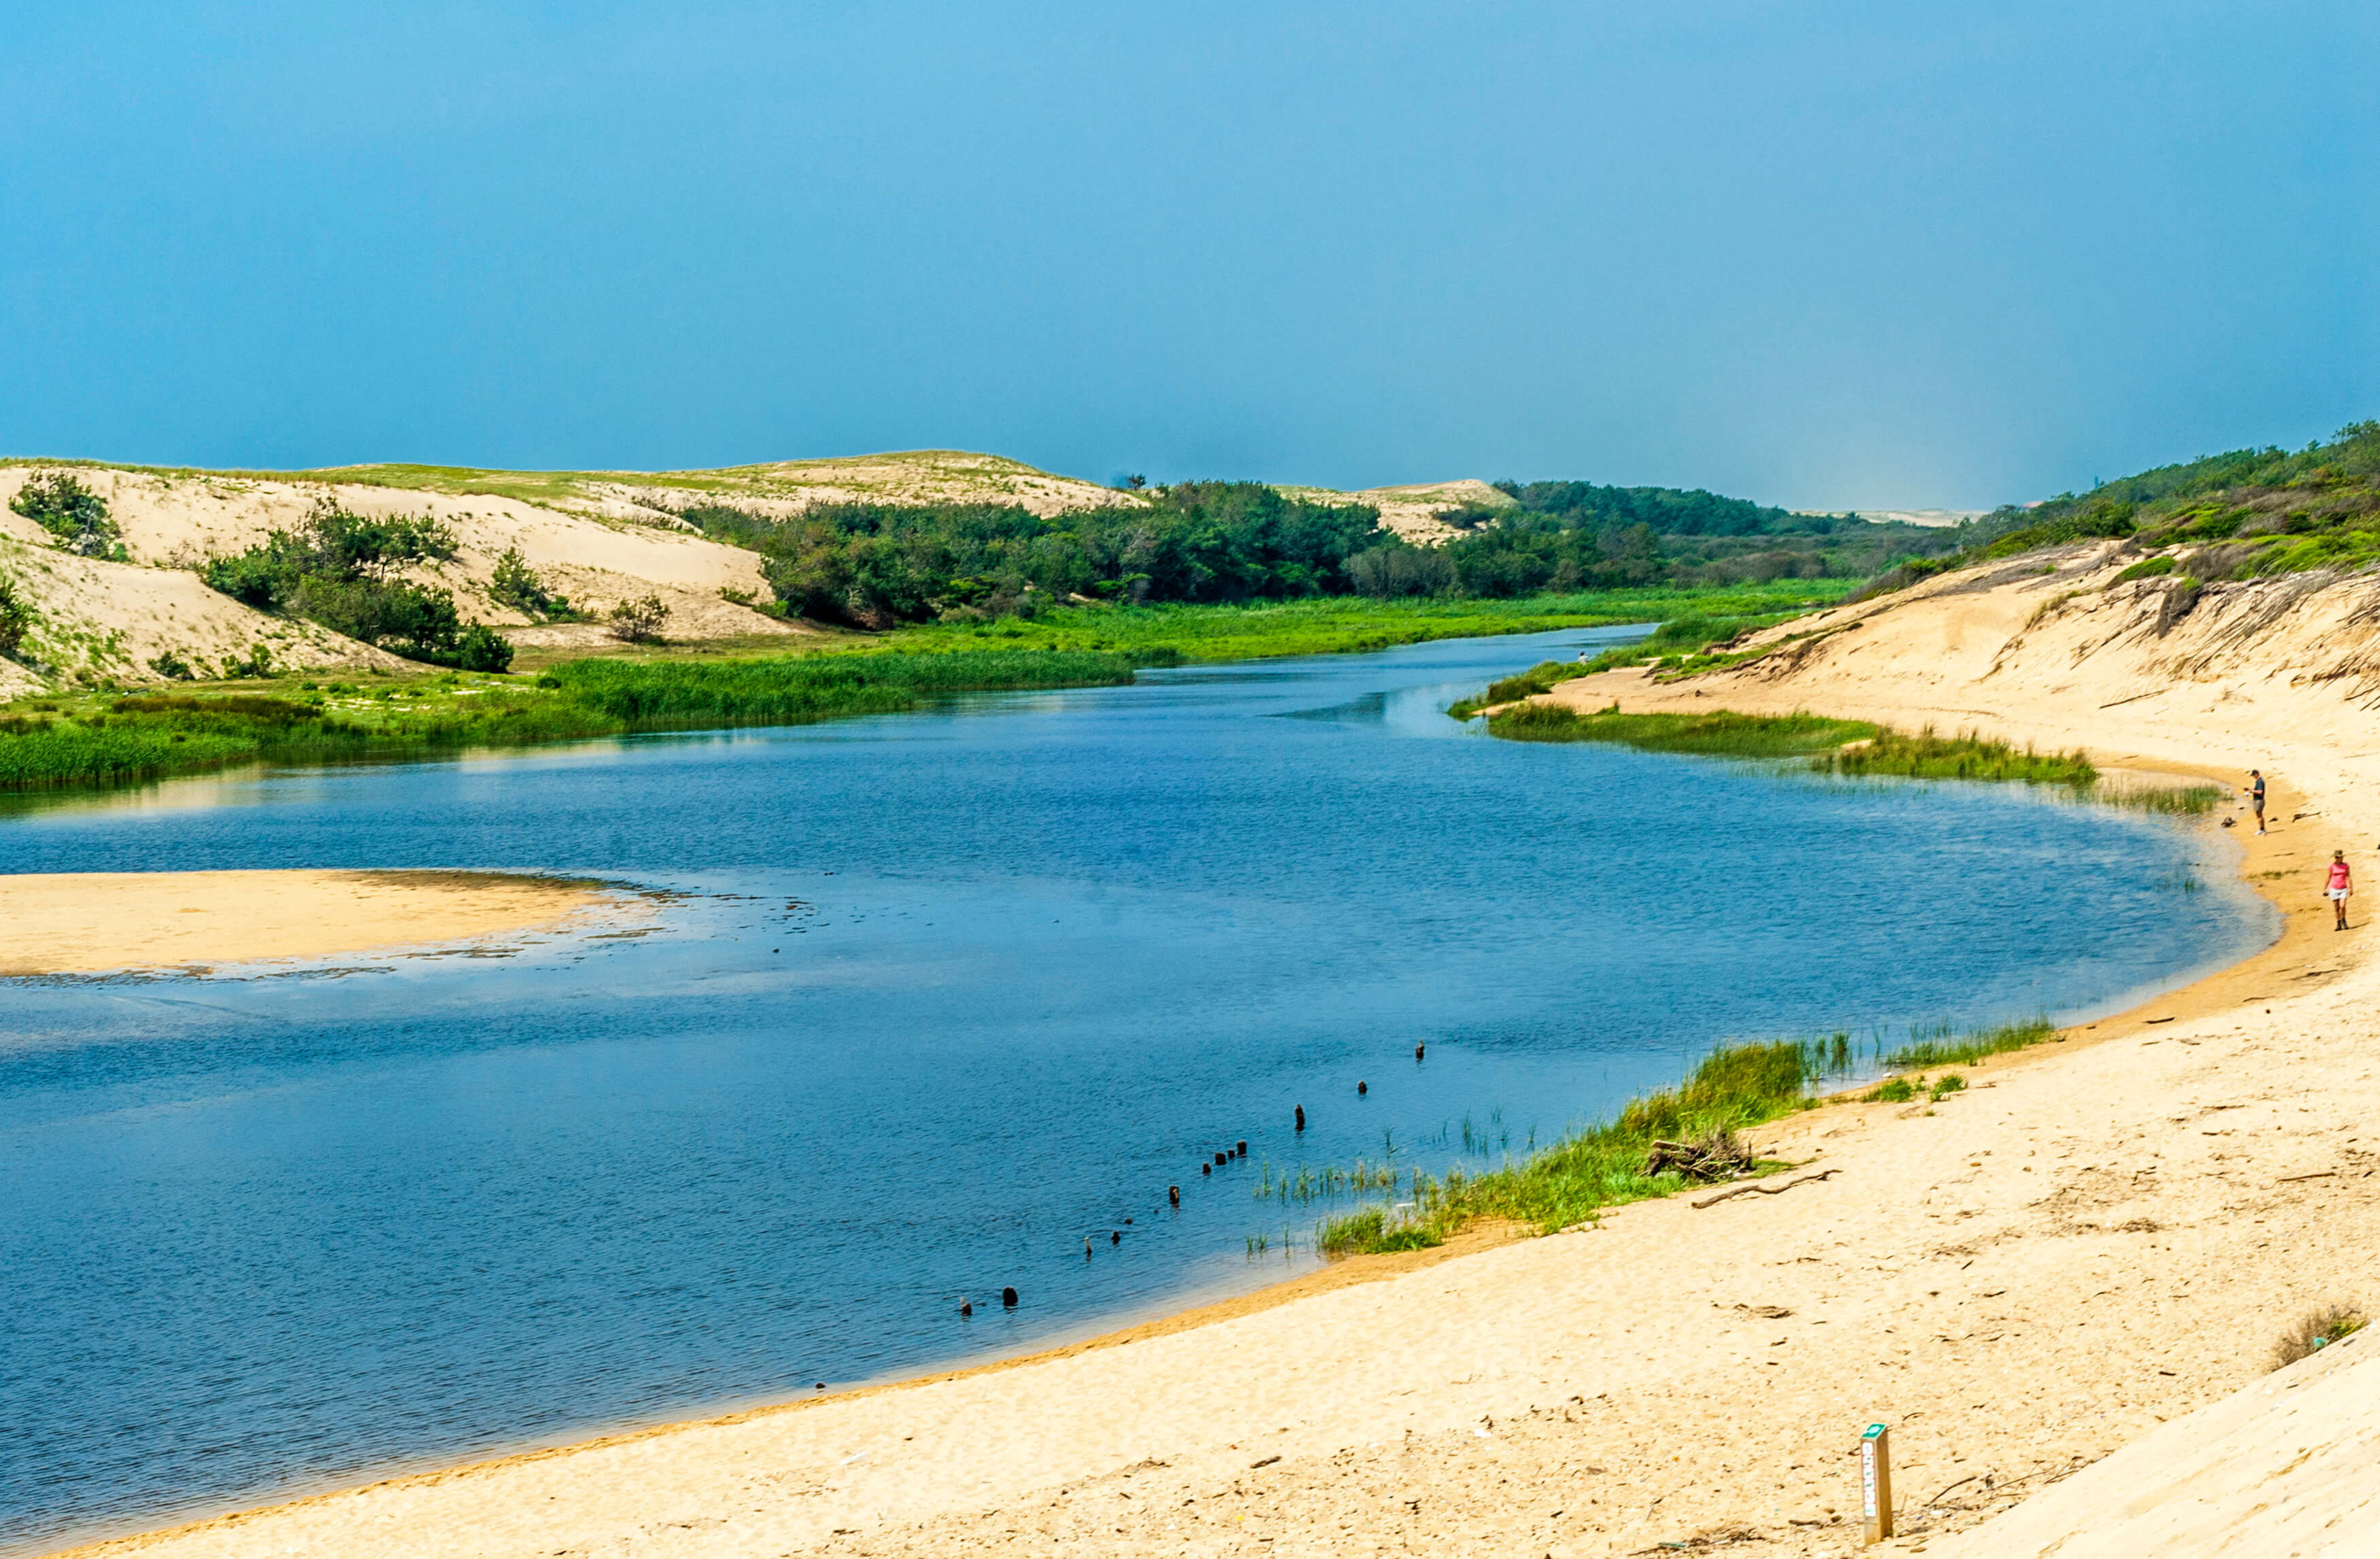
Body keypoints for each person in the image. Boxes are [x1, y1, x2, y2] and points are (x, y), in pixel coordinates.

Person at [2327, 850, 2352, 931]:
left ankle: (2344, 920)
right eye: (2336, 857)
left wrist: (2350, 888)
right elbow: (2328, 877)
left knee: (2342, 906)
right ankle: (2339, 923)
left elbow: (2348, 876)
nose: (2337, 859)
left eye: (2339, 857)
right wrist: (2325, 888)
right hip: (2334, 888)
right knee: (2336, 907)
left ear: (2342, 857)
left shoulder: (2346, 866)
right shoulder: (2331, 866)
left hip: (2343, 888)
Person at [2249, 770, 2266, 835]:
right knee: (2260, 815)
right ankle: (2263, 829)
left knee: (2259, 816)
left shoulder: (2259, 782)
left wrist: (2252, 791)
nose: (2253, 777)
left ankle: (2261, 830)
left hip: (2259, 801)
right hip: (2260, 800)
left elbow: (2260, 792)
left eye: (2253, 775)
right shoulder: (2260, 781)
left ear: (2256, 774)